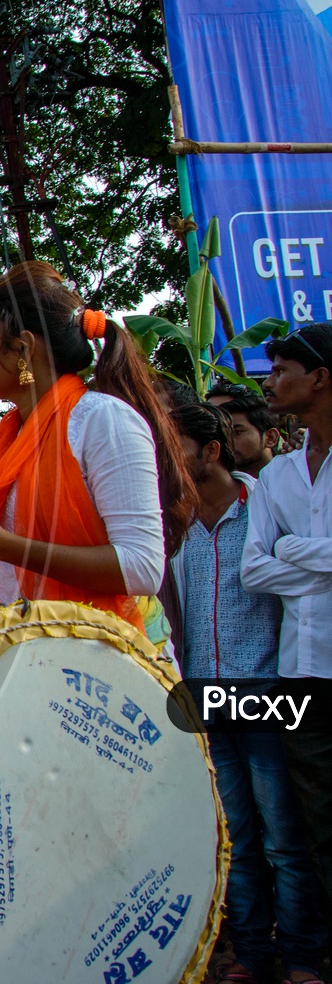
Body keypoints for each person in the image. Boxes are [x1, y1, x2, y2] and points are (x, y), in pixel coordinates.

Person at [0, 261, 191, 632]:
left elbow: (142, 567)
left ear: (23, 348)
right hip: (21, 654)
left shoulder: (101, 421)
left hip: (90, 661)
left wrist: (2, 545)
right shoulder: (9, 438)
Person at [170, 403, 325, 984]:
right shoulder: (180, 520)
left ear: (211, 452)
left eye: (177, 445)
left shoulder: (264, 504)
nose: (168, 457)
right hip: (204, 691)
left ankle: (304, 956)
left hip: (264, 686)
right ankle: (253, 954)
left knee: (283, 835)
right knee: (232, 833)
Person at [241, 321, 332, 916]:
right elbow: (253, 570)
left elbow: (274, 558)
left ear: (320, 377)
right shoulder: (276, 477)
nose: (269, 383)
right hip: (302, 676)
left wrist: (295, 549)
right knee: (320, 820)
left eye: (280, 371)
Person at [218, 391, 282, 478]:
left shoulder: (296, 477)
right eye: (223, 433)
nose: (226, 441)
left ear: (270, 437)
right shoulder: (219, 487)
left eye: (237, 432)